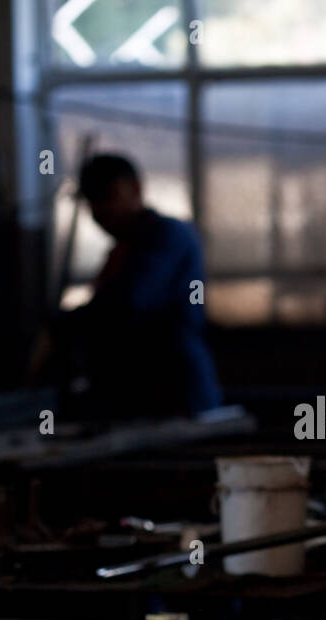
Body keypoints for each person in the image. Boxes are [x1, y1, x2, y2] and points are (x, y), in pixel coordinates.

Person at [37, 153, 223, 420]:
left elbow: (130, 301)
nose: (100, 210)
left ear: (135, 189)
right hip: (139, 397)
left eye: (107, 196)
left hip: (175, 392)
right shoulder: (123, 250)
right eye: (92, 201)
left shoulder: (168, 236)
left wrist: (63, 324)